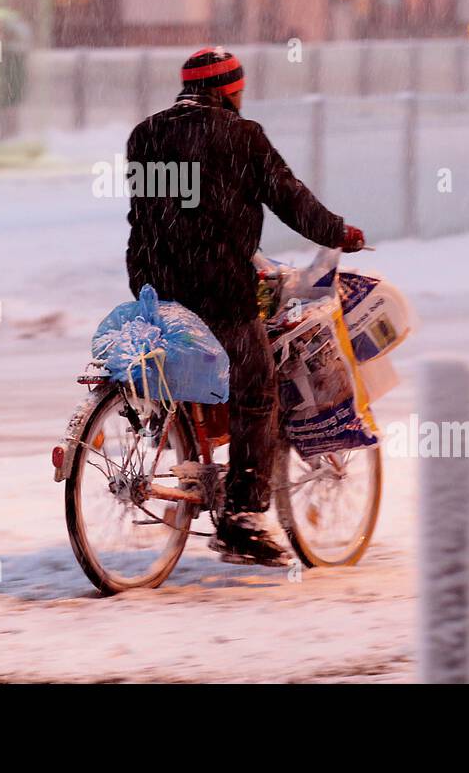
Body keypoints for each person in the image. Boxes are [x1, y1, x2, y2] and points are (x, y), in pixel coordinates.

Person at [125, 47, 367, 567]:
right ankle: (241, 518)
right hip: (219, 286)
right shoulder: (241, 136)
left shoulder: (146, 135)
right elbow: (290, 198)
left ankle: (186, 450)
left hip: (155, 281)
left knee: (178, 369)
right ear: (231, 89)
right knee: (257, 392)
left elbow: (151, 212)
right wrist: (338, 232)